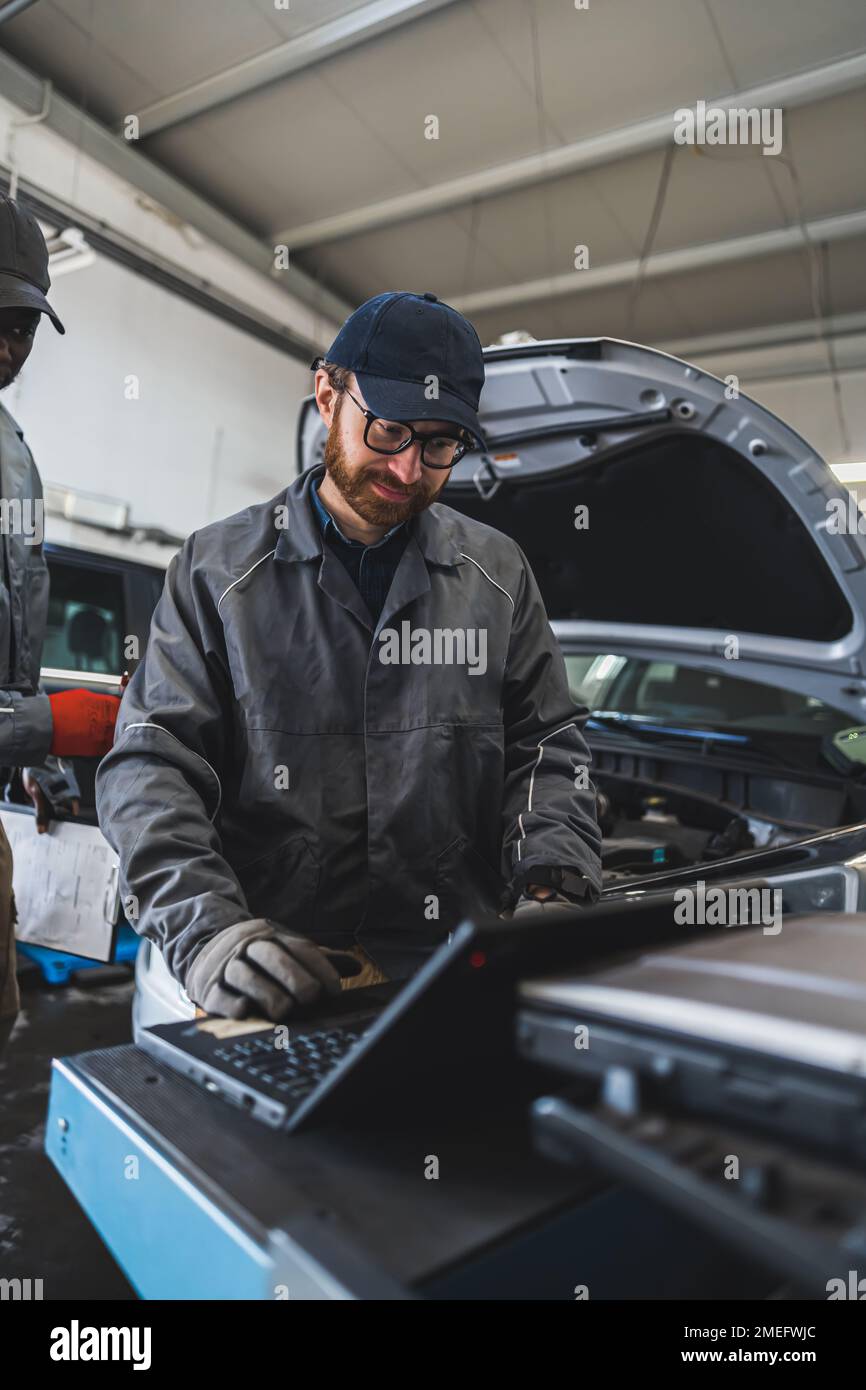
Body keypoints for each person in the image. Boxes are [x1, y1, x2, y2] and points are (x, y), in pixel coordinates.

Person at [96, 291, 602, 1023]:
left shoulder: (498, 574)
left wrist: (552, 882)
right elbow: (151, 764)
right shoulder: (217, 573)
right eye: (391, 430)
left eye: (440, 447)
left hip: (445, 973)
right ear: (328, 393)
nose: (408, 471)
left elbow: (547, 746)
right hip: (258, 975)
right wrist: (206, 932)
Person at [0, 195, 120, 1053]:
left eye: (26, 327)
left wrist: (26, 757)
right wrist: (51, 724)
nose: (11, 346)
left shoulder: (11, 451)